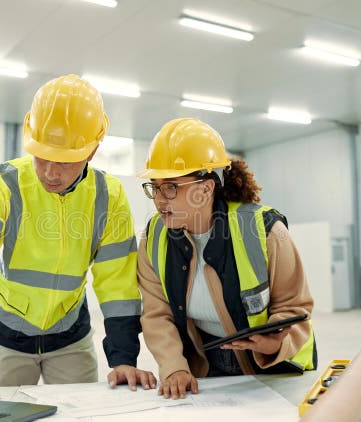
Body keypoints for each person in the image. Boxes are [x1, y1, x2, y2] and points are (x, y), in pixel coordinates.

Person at [0, 74, 156, 390]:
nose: (51, 173)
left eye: (65, 161)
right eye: (42, 157)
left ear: (92, 151)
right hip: (3, 336)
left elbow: (118, 284)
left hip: (70, 338)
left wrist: (123, 358)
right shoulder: (1, 184)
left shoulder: (108, 196)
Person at [135, 118, 317, 399]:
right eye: (154, 187)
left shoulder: (265, 230)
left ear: (206, 189)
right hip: (202, 363)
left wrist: (271, 346)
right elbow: (156, 314)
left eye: (171, 186)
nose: (159, 200)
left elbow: (294, 306)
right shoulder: (154, 236)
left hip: (273, 365)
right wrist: (173, 367)